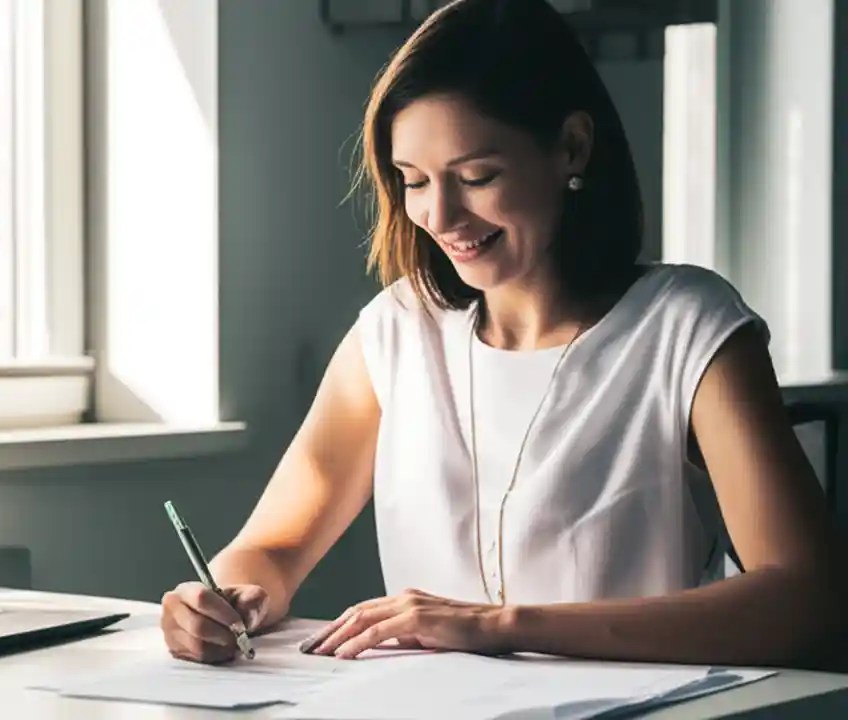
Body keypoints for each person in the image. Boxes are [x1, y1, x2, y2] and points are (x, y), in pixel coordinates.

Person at [160, 0, 847, 668]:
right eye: (413, 180)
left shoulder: (688, 327)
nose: (441, 214)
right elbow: (272, 550)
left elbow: (805, 600)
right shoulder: (398, 333)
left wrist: (497, 626)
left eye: (476, 177)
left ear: (571, 147)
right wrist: (218, 600)